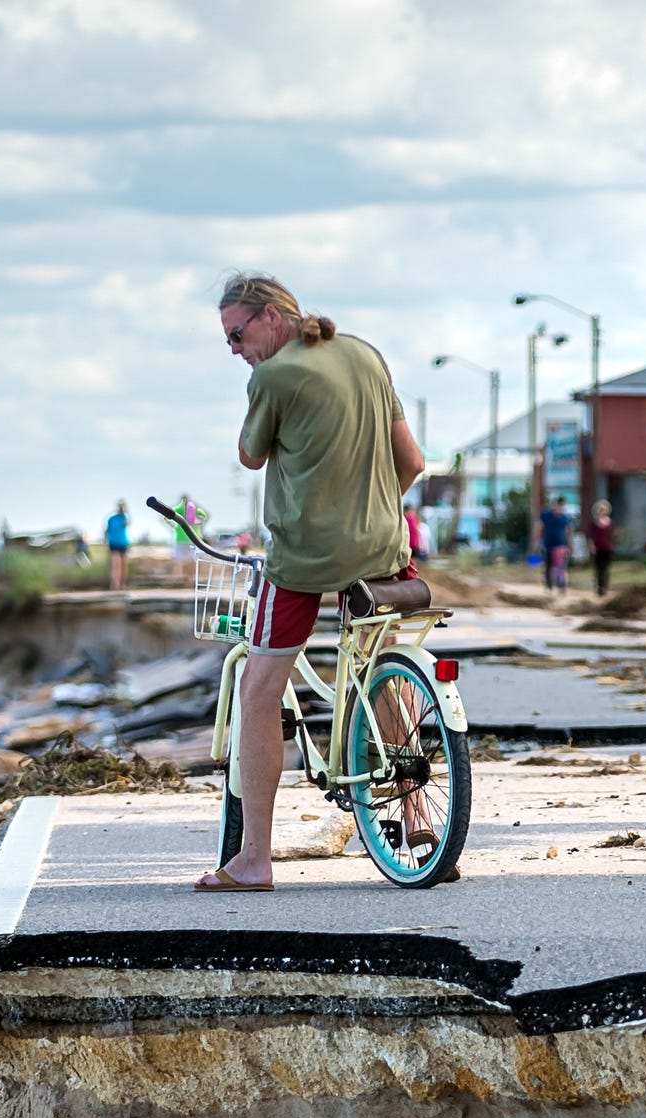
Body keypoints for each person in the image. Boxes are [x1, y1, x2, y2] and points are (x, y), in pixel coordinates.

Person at [198, 272, 426, 892]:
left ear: (272, 317)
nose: (234, 348)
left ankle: (254, 860)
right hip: (383, 546)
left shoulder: (271, 378)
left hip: (303, 559)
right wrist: (366, 515)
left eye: (237, 333)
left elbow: (250, 455)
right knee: (386, 673)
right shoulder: (365, 355)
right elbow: (413, 462)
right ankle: (417, 819)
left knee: (259, 688)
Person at [537, 495, 573, 592]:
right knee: (548, 566)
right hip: (548, 544)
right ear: (554, 505)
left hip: (561, 546)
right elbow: (539, 527)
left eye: (562, 505)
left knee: (560, 567)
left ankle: (561, 585)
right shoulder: (546, 515)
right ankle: (548, 586)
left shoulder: (565, 517)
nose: (560, 507)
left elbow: (569, 531)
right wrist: (536, 541)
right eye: (558, 504)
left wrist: (570, 545)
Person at [585, 500, 618, 594]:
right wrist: (591, 546)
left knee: (606, 568)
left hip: (607, 548)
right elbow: (590, 536)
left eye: (604, 509)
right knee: (598, 569)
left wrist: (614, 545)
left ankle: (605, 587)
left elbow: (613, 536)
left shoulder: (611, 523)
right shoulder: (594, 523)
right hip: (597, 549)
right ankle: (599, 587)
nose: (602, 511)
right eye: (600, 509)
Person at [105, 502, 132, 591]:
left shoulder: (124, 518)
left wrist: (126, 511)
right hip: (114, 544)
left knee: (124, 566)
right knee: (116, 566)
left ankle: (122, 585)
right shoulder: (111, 518)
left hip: (124, 544)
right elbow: (107, 531)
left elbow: (128, 523)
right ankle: (115, 586)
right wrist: (106, 542)